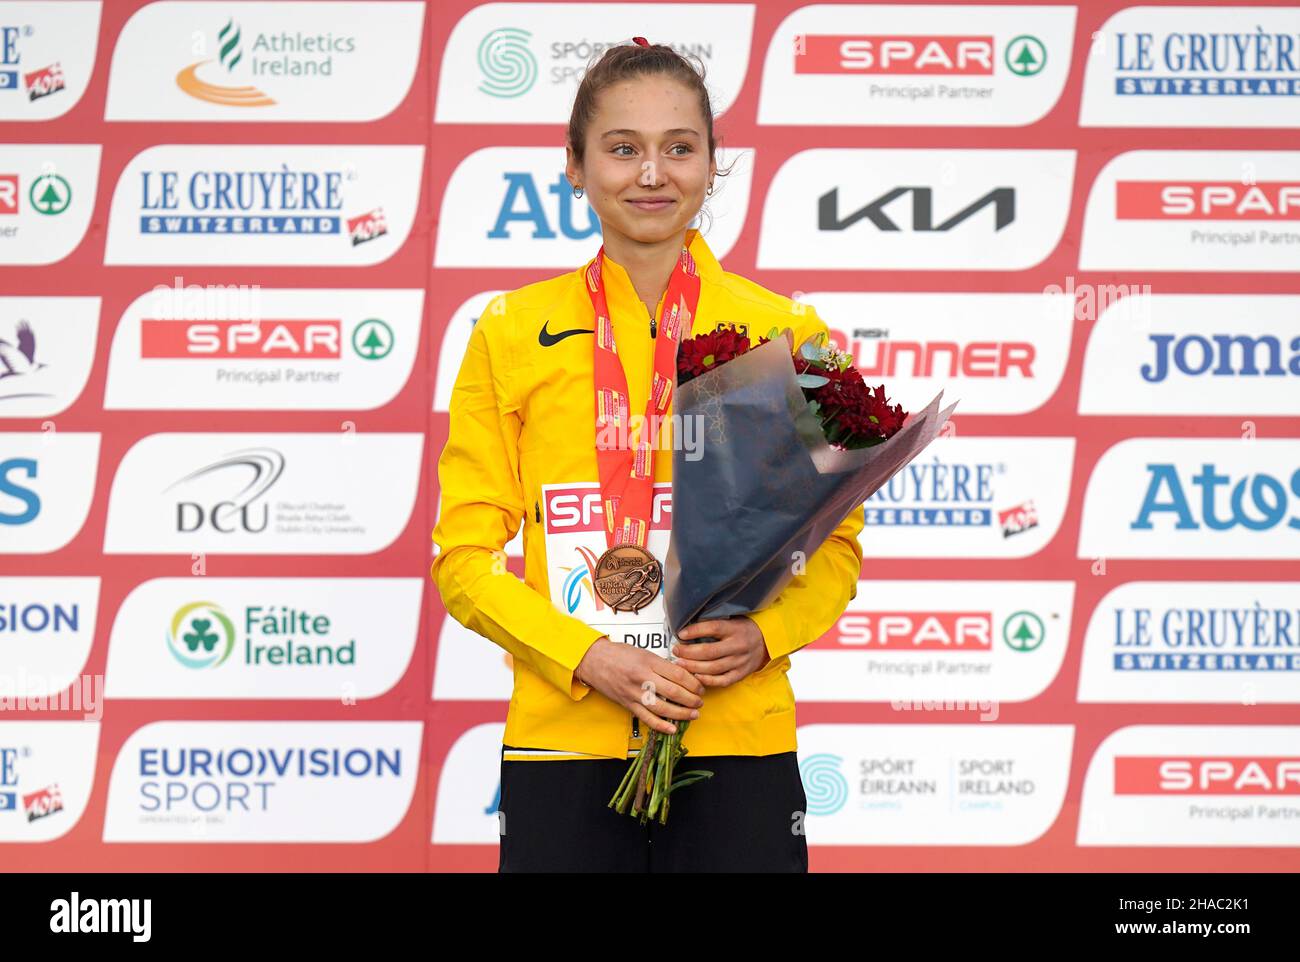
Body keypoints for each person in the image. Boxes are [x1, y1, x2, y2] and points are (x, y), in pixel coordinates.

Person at [431, 37, 865, 873]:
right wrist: (588, 657)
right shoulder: (508, 332)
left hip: (736, 733)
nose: (652, 174)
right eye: (623, 149)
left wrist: (766, 638)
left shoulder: (791, 333)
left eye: (678, 148)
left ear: (712, 163)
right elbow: (465, 559)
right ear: (574, 166)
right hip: (564, 742)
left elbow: (835, 549)